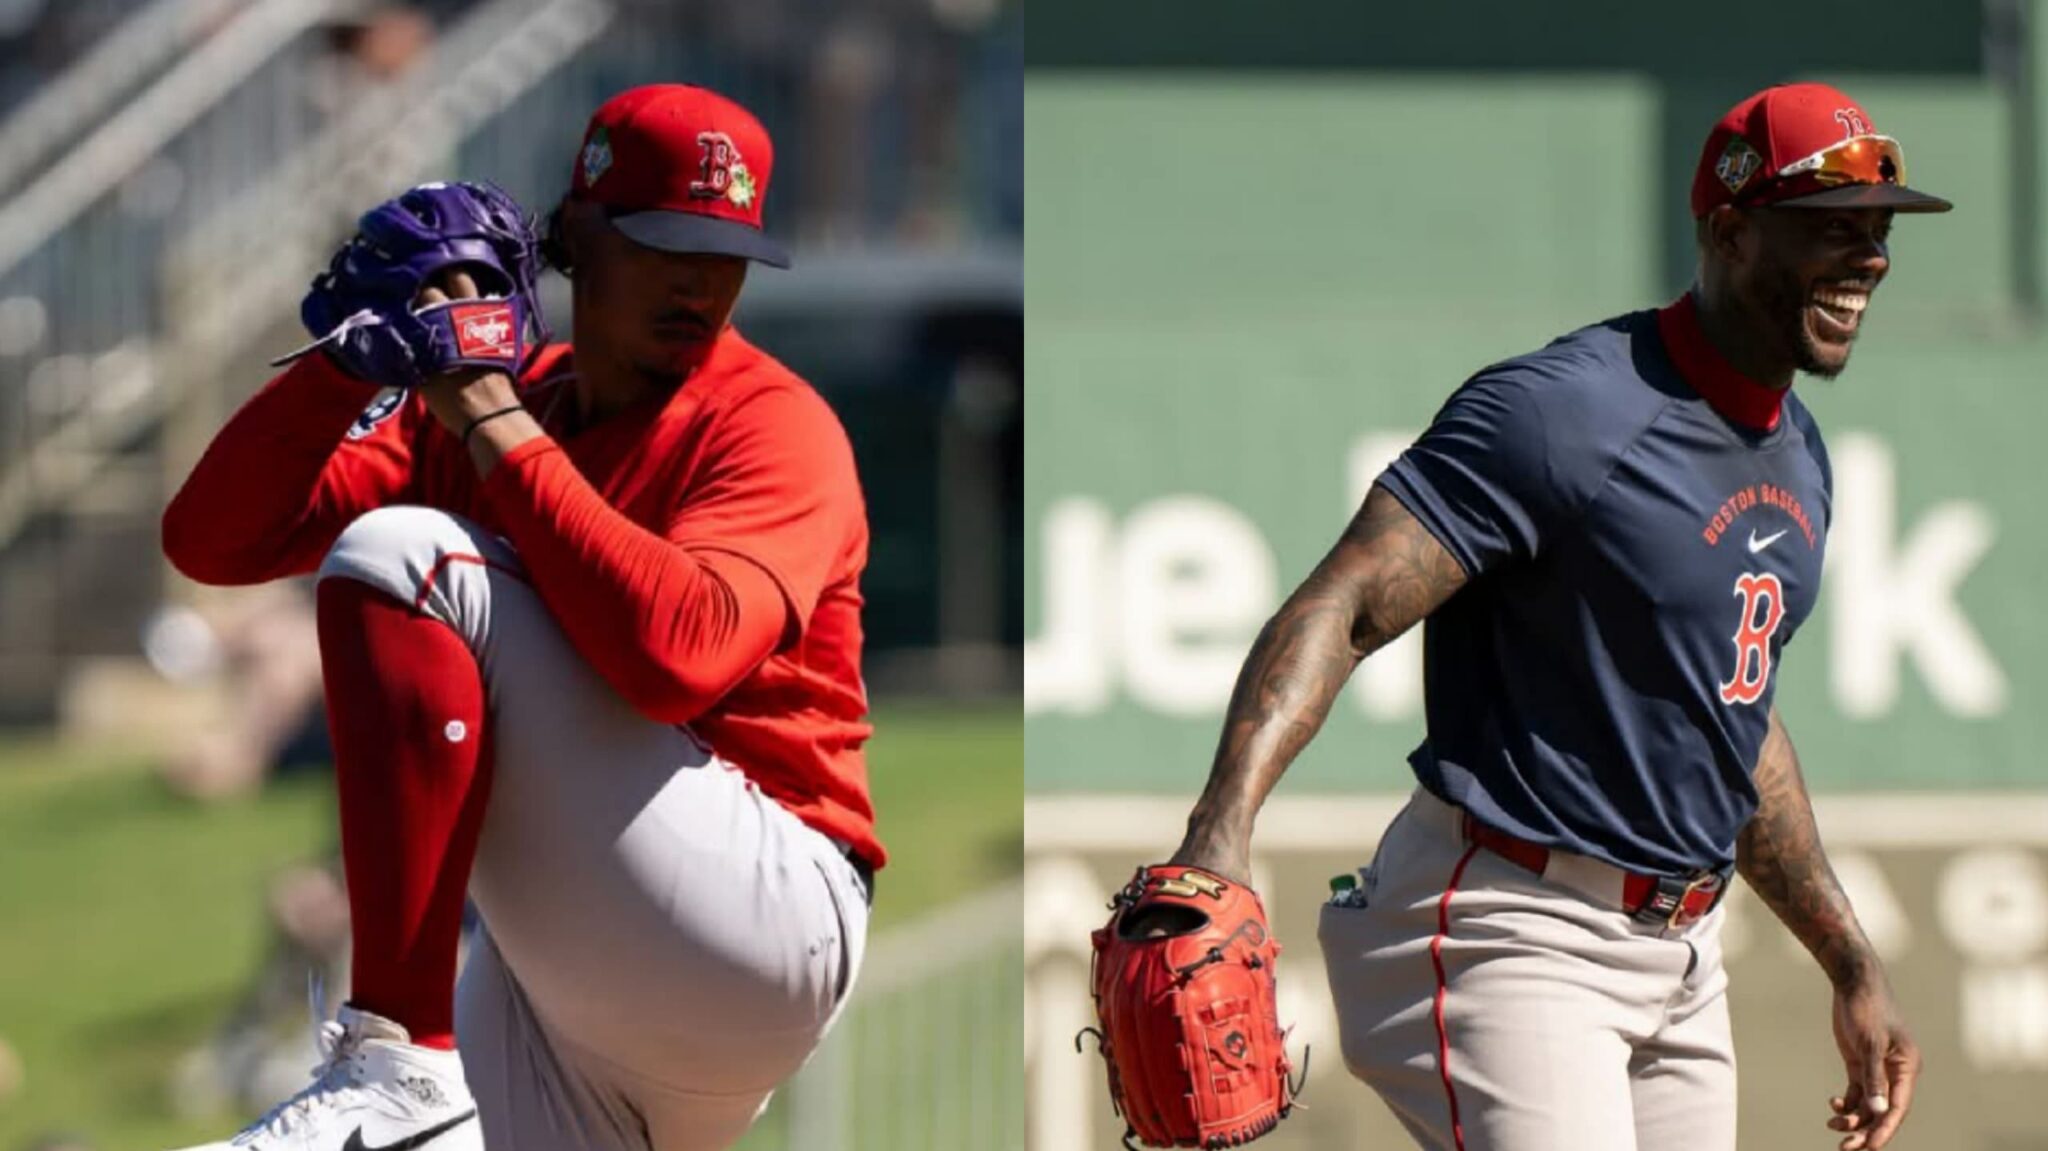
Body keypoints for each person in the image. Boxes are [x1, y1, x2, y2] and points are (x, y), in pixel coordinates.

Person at [1165, 82, 1945, 1151]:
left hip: (1679, 956)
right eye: (1825, 228)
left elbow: (1733, 717)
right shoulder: (1563, 411)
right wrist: (1219, 829)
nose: (1866, 258)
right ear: (1725, 230)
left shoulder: (1797, 454)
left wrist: (1848, 959)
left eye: (1876, 229)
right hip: (1508, 924)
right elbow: (1342, 606)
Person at [160, 83, 880, 1151]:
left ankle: (396, 1050)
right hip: (576, 971)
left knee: (402, 555)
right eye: (661, 242)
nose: (696, 282)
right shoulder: (509, 408)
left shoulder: (768, 423)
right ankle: (405, 1090)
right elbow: (215, 540)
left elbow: (677, 657)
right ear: (575, 237)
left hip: (761, 908)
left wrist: (488, 412)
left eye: (723, 253)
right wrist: (349, 359)